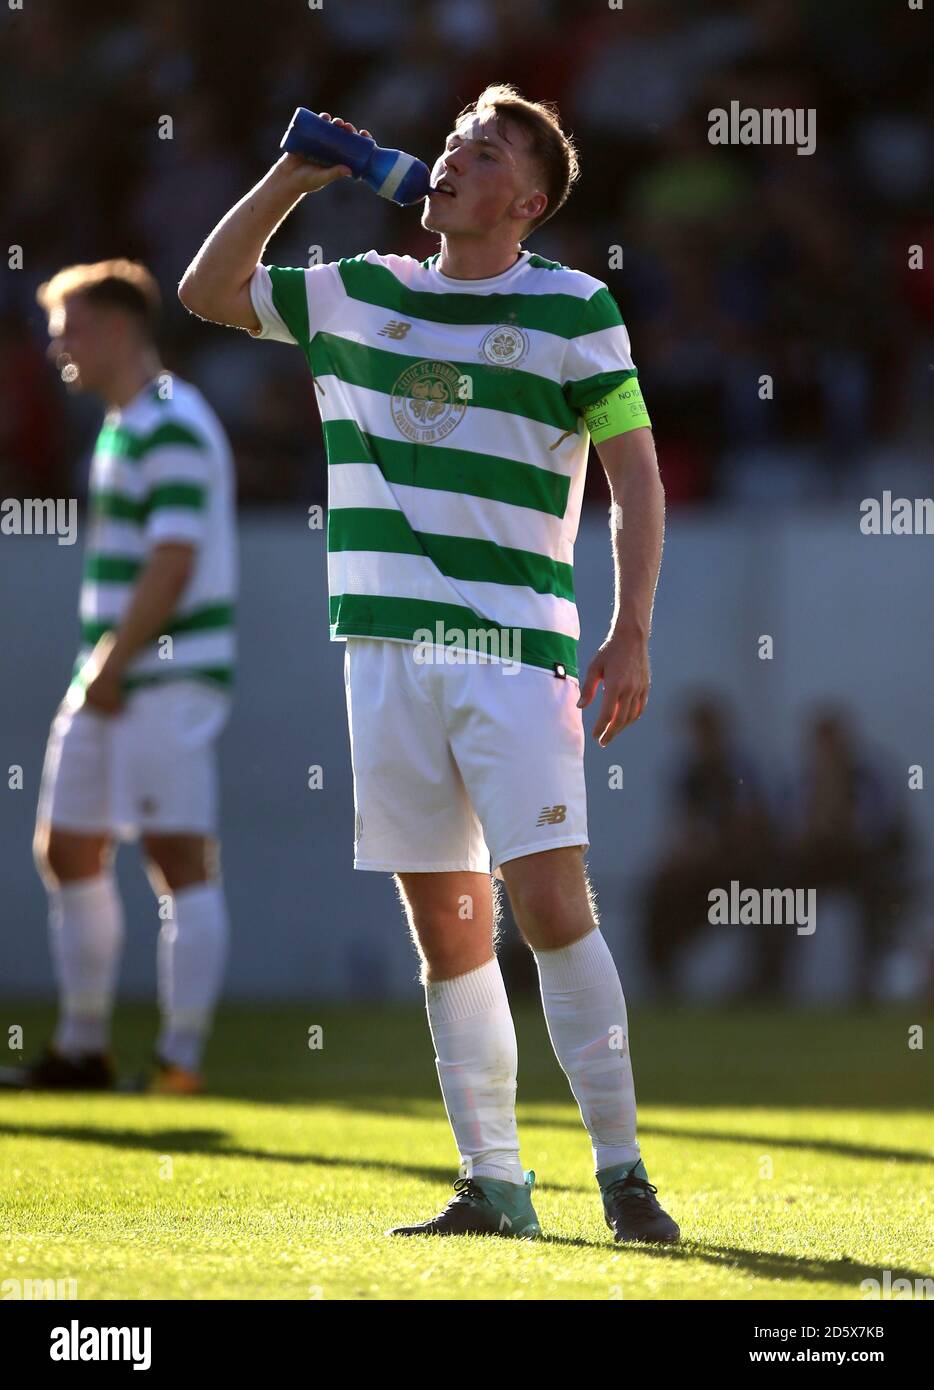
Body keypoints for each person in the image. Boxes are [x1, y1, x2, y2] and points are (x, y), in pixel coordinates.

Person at [179, 84, 675, 1243]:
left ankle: (623, 1174)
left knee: (551, 906)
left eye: (485, 150)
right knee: (450, 927)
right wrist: (292, 181)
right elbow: (206, 293)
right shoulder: (361, 292)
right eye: (451, 140)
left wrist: (632, 625)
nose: (454, 155)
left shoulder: (572, 305)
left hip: (514, 654)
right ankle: (494, 1184)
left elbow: (635, 477)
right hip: (384, 653)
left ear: (528, 200)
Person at [8, 259, 236, 1096]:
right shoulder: (129, 422)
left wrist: (113, 660)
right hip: (121, 673)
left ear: (112, 326)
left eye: (67, 326)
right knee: (68, 846)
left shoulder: (169, 422)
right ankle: (84, 1050)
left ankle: (179, 1061)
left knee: (177, 857)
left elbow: (173, 562)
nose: (57, 345)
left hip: (160, 675)